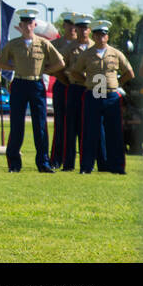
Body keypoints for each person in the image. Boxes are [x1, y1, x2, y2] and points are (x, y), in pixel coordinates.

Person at [0, 8, 65, 173]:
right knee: (17, 125)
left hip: (36, 84)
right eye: (24, 23)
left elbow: (60, 62)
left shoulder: (43, 43)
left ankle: (43, 163)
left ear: (34, 24)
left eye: (30, 23)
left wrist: (46, 70)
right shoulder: (14, 44)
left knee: (40, 125)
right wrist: (12, 67)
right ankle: (14, 164)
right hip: (19, 83)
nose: (28, 26)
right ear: (20, 25)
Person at [72, 19, 135, 174]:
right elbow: (75, 72)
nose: (101, 38)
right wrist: (87, 82)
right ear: (93, 36)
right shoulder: (87, 54)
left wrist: (117, 83)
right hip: (93, 94)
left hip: (111, 95)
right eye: (98, 35)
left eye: (104, 35)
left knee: (115, 133)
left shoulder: (115, 53)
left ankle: (117, 166)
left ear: (107, 37)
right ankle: (86, 166)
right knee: (90, 132)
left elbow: (129, 72)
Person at [58, 14, 93, 171]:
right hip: (75, 88)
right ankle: (69, 163)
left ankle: (91, 163)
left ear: (89, 30)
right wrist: (67, 82)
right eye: (79, 28)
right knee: (71, 127)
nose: (82, 30)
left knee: (91, 127)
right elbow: (58, 67)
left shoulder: (96, 47)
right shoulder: (69, 48)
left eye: (85, 28)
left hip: (93, 90)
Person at [48, 11, 78, 168]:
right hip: (61, 85)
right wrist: (60, 77)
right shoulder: (55, 45)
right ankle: (57, 159)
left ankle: (76, 160)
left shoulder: (86, 45)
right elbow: (47, 66)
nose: (72, 28)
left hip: (79, 86)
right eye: (69, 24)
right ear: (64, 25)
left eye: (75, 25)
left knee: (80, 124)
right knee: (60, 124)